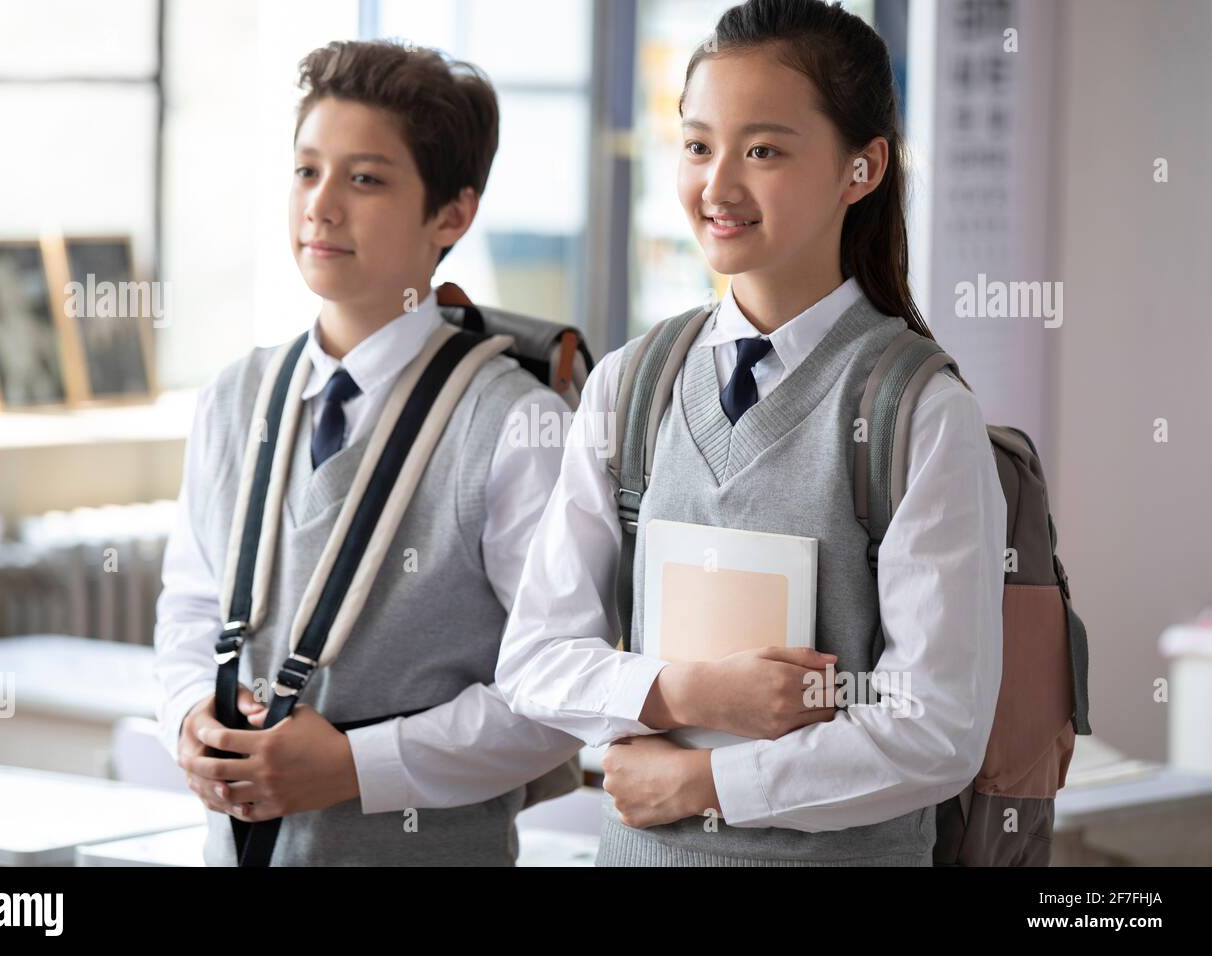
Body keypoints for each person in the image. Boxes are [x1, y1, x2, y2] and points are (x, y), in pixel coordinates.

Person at [496, 0, 1006, 866]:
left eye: (763, 149)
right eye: (698, 146)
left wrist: (707, 787)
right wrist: (687, 692)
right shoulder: (633, 382)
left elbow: (937, 730)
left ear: (863, 167)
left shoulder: (918, 412)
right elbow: (534, 658)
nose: (717, 186)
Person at [153, 39, 581, 866]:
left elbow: (558, 698)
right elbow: (191, 609)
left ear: (452, 215)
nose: (321, 206)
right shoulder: (232, 398)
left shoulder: (516, 426)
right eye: (307, 170)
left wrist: (354, 768)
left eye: (365, 179)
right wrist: (187, 717)